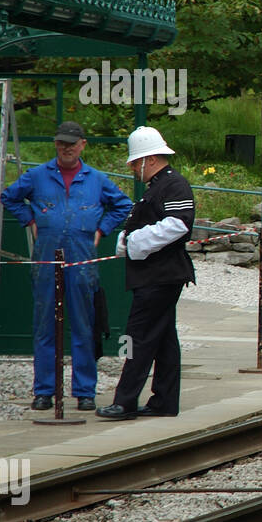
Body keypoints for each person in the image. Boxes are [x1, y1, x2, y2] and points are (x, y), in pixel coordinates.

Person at [0, 121, 133, 412]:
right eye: (61, 143)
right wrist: (31, 221)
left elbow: (124, 205)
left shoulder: (96, 179)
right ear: (55, 144)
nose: (66, 148)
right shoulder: (37, 176)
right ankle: (44, 391)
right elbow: (8, 196)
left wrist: (102, 230)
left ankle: (85, 391)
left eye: (72, 143)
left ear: (83, 144)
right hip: (47, 258)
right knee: (45, 324)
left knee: (84, 325)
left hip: (83, 260)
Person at [97, 126, 196, 420]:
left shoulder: (173, 185)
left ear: (150, 159)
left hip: (159, 276)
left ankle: (125, 401)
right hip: (158, 276)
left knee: (137, 338)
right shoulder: (160, 186)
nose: (131, 167)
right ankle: (164, 401)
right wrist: (129, 240)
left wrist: (133, 241)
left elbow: (178, 225)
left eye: (134, 161)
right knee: (164, 339)